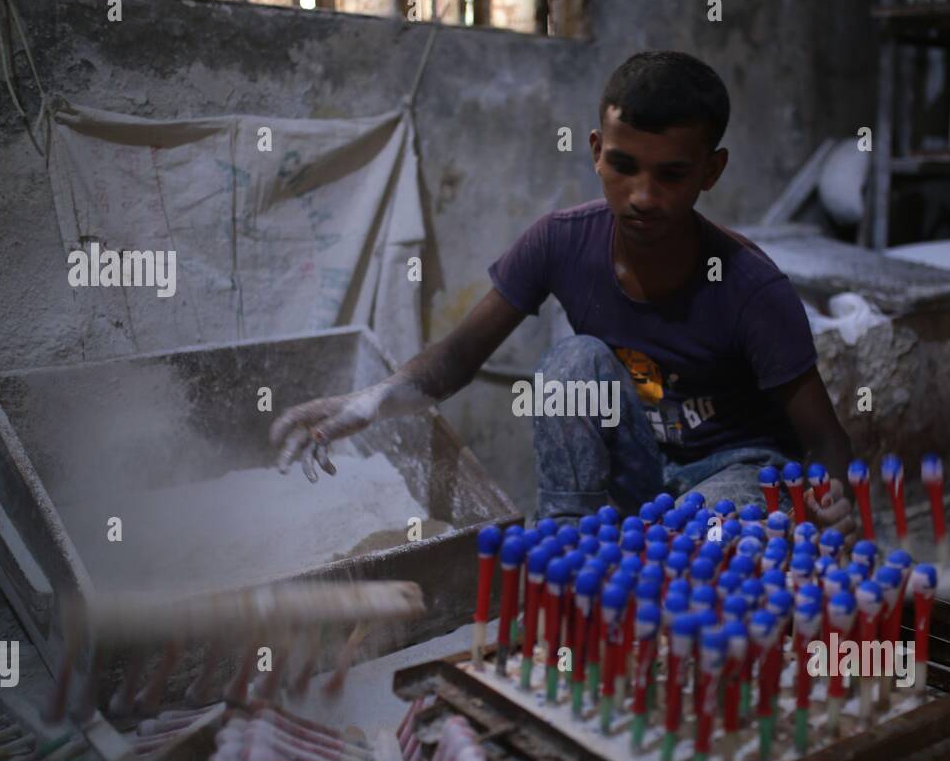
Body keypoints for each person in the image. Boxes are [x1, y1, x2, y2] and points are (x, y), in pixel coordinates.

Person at [271, 50, 854, 538]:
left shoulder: (751, 287)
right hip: (638, 469)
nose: (642, 195)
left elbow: (825, 439)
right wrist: (366, 403)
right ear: (597, 150)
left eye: (670, 175)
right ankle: (570, 544)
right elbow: (457, 358)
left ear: (712, 170)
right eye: (623, 165)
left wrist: (835, 502)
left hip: (733, 473)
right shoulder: (559, 242)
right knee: (573, 364)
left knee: (694, 555)